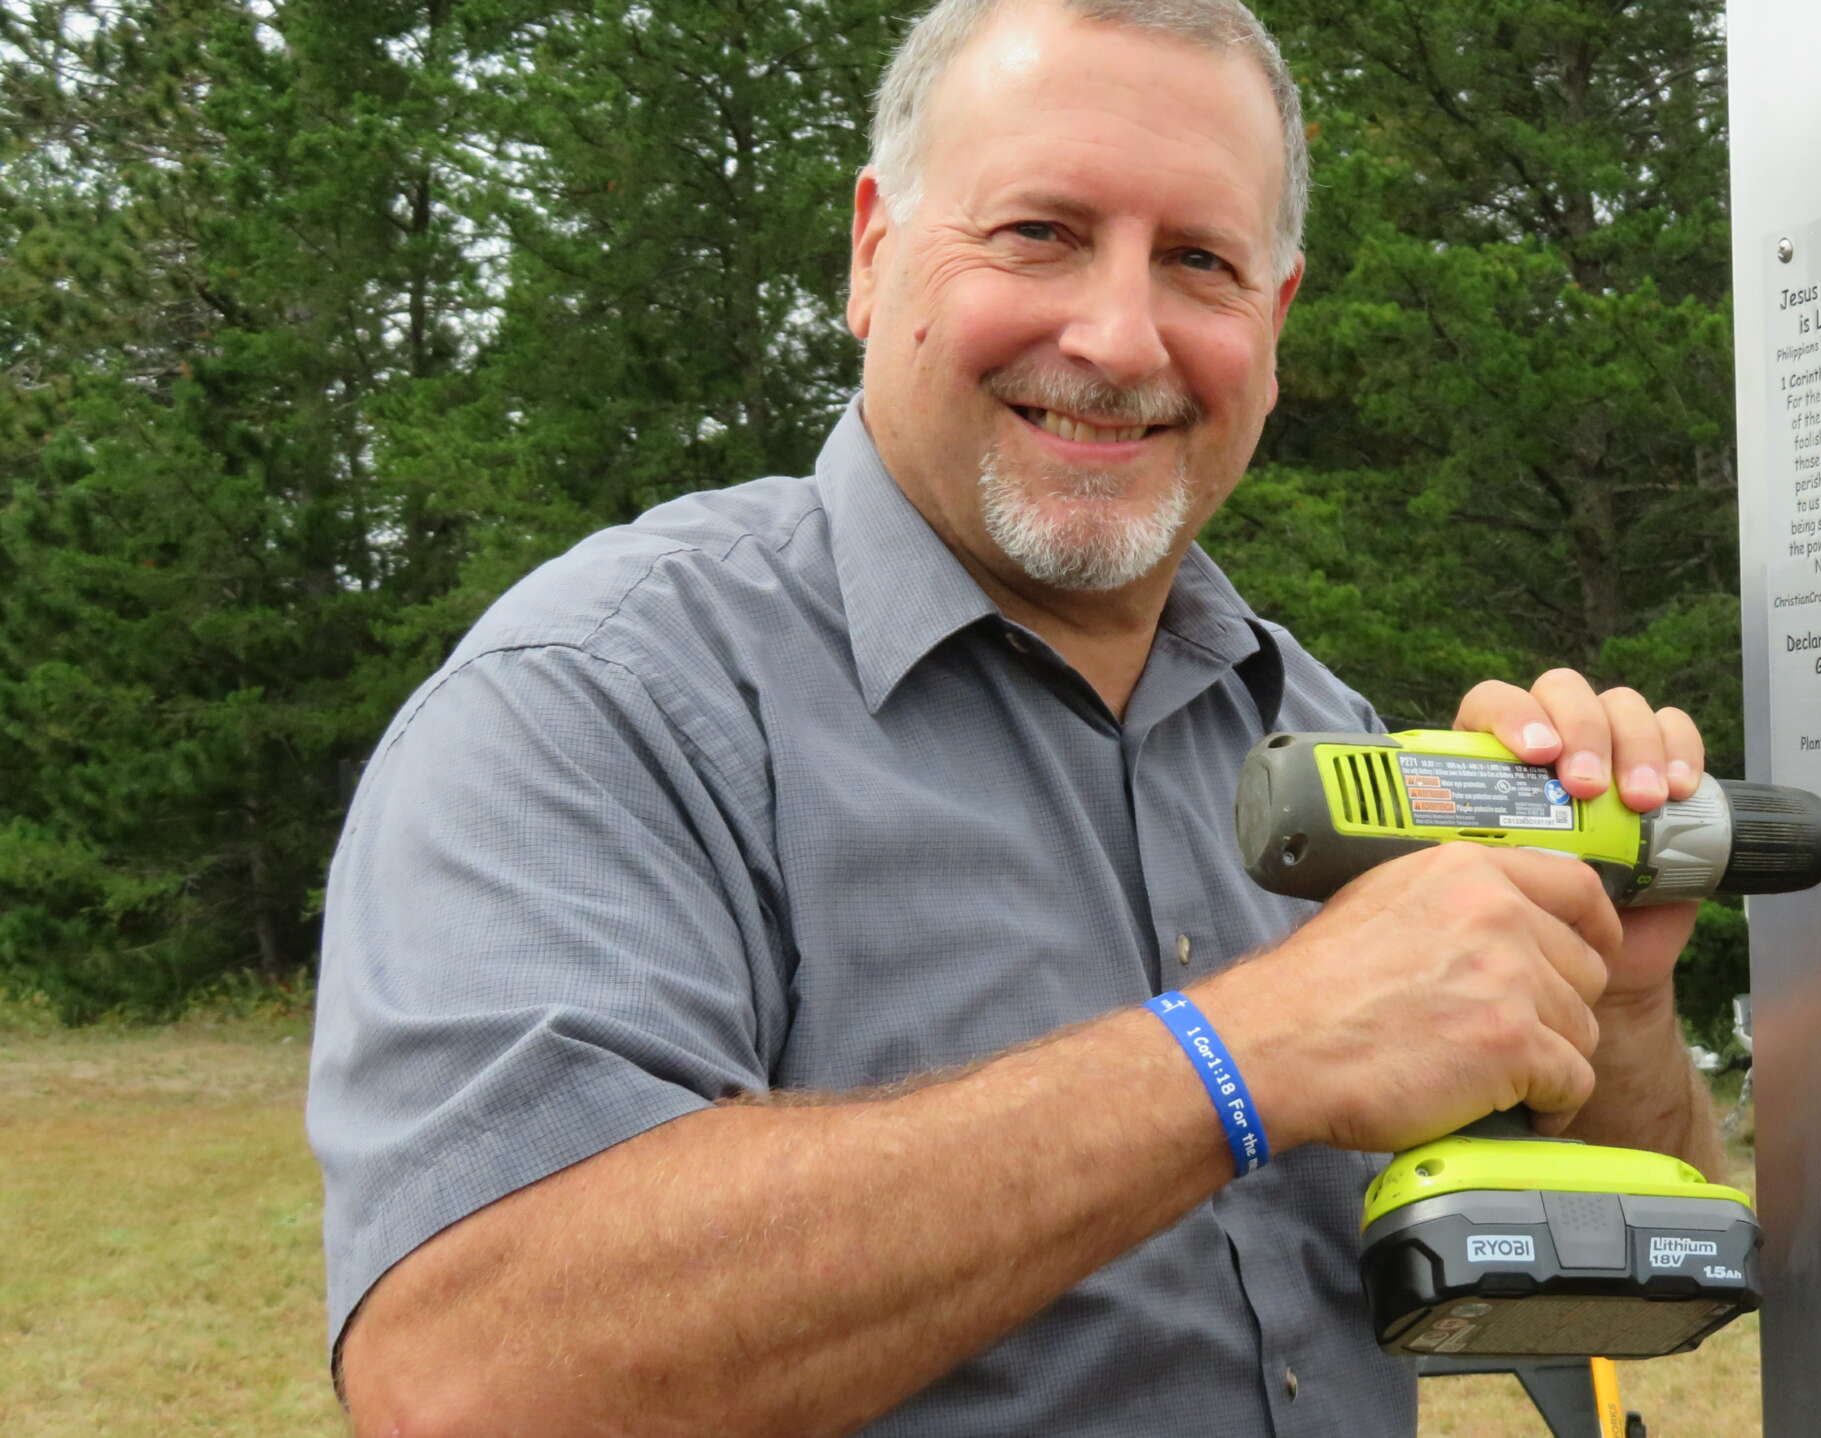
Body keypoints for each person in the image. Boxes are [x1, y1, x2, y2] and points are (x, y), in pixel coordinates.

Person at [306, 0, 1726, 1433]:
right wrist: (1241, 1058)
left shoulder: (1323, 732)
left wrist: (1611, 996)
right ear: (872, 252)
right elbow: (471, 1379)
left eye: (1199, 261)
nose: (1117, 337)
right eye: (1039, 233)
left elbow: (1611, 1275)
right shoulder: (603, 696)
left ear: (1273, 324)